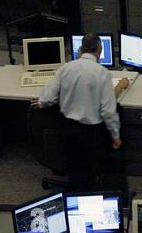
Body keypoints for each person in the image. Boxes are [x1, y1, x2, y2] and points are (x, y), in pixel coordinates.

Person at [32, 33, 126, 190]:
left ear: (81, 49)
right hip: (91, 133)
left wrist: (42, 103)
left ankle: (76, 192)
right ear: (99, 50)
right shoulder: (101, 73)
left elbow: (47, 96)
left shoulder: (66, 68)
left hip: (68, 130)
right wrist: (116, 136)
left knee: (77, 169)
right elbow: (108, 111)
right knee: (102, 163)